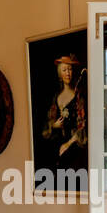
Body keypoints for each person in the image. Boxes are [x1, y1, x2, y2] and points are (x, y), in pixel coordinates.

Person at [41, 53, 87, 188]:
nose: (68, 73)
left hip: (74, 145)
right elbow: (48, 124)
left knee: (72, 182)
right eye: (65, 70)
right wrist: (54, 125)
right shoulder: (56, 96)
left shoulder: (78, 96)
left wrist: (68, 144)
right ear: (60, 73)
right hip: (56, 144)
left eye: (70, 69)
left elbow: (83, 126)